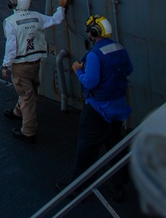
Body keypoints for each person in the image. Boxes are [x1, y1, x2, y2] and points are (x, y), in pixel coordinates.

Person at [60, 15, 133, 199]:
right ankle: (118, 185)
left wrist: (77, 69)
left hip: (98, 109)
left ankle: (77, 188)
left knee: (86, 148)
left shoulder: (94, 55)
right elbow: (129, 69)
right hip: (118, 107)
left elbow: (91, 82)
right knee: (115, 145)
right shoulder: (120, 48)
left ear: (94, 32)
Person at [1, 0, 70, 143]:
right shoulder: (37, 17)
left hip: (20, 65)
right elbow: (56, 19)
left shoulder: (10, 22)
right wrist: (62, 6)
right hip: (35, 63)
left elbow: (11, 47)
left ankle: (28, 131)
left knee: (27, 97)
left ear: (13, 3)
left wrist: (5, 65)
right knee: (30, 90)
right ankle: (17, 112)